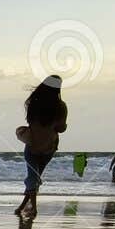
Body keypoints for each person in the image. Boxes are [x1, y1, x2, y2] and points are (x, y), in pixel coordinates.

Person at [13, 74, 68, 220]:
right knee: (35, 178)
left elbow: (30, 121)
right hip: (49, 146)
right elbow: (61, 128)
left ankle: (26, 206)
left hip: (32, 144)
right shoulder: (61, 106)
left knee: (33, 177)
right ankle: (31, 207)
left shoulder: (33, 102)